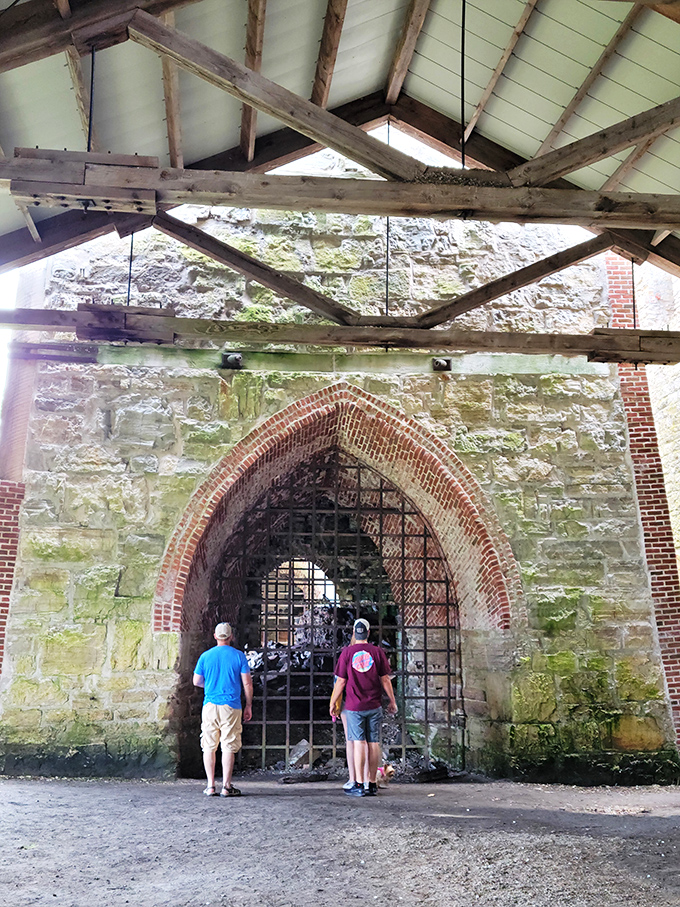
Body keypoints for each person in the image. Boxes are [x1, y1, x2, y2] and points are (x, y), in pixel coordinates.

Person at [330, 618, 397, 797]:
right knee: (373, 742)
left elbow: (341, 681)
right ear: (368, 633)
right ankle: (371, 784)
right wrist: (392, 700)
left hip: (354, 706)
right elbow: (385, 679)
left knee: (358, 742)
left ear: (354, 633)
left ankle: (358, 784)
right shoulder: (377, 652)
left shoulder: (347, 653)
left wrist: (333, 702)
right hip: (374, 704)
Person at [193, 621, 253, 797]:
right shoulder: (239, 656)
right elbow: (247, 682)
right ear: (231, 637)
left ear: (215, 636)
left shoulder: (205, 656)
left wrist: (211, 687)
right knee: (228, 745)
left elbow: (196, 681)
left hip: (210, 705)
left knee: (209, 746)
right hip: (231, 706)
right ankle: (226, 786)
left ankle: (210, 785)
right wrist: (248, 704)